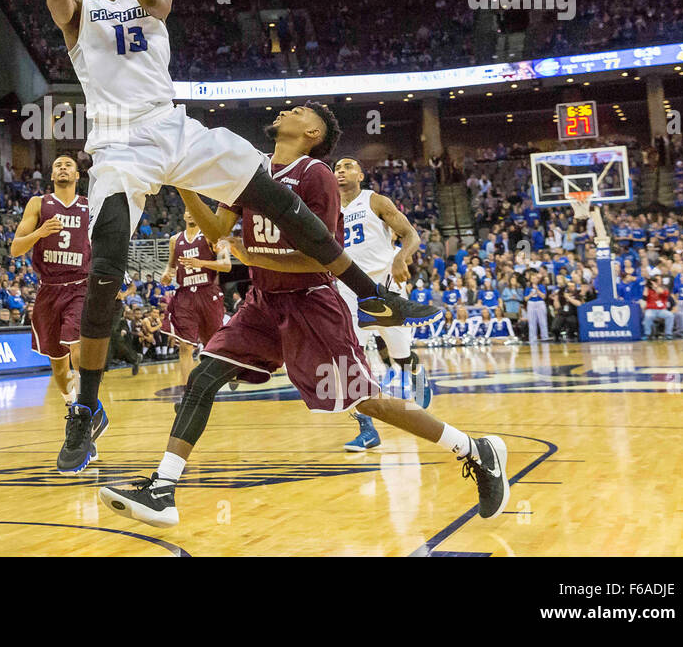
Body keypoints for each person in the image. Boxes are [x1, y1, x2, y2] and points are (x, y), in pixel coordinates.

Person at [13, 0, 438, 473]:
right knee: (105, 262)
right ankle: (86, 411)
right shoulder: (79, 13)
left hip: (173, 125)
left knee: (281, 200)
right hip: (117, 144)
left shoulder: (146, 1)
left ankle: (373, 297)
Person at [99, 104, 509, 528]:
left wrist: (249, 254)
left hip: (311, 304)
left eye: (296, 111)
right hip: (263, 303)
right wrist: (184, 184)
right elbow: (218, 232)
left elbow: (322, 260)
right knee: (204, 376)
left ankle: (474, 450)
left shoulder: (316, 175)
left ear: (312, 131)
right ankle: (163, 489)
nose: (285, 111)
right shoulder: (249, 170)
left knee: (365, 399)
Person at [332, 155, 434, 453]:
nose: (341, 171)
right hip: (348, 290)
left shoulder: (375, 201)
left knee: (400, 356)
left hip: (386, 286)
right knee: (347, 361)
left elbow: (411, 235)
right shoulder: (327, 209)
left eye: (348, 166)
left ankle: (414, 375)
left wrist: (402, 257)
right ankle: (367, 429)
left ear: (360, 175)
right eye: (336, 167)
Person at [9, 156, 90, 406]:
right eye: (58, 165)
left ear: (77, 176)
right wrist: (40, 232)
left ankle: (86, 405)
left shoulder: (90, 205)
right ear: (52, 176)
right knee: (57, 362)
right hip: (49, 289)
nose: (63, 168)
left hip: (80, 285)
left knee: (76, 344)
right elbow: (15, 249)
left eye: (68, 165)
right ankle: (70, 400)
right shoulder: (38, 204)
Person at [160, 209, 230, 379]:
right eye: (187, 211)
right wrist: (166, 275)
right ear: (183, 215)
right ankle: (187, 394)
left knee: (212, 344)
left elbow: (226, 265)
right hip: (184, 295)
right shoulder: (174, 240)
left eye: (194, 210)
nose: (191, 213)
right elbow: (171, 266)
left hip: (207, 291)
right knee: (185, 345)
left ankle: (228, 373)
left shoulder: (213, 235)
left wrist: (201, 263)